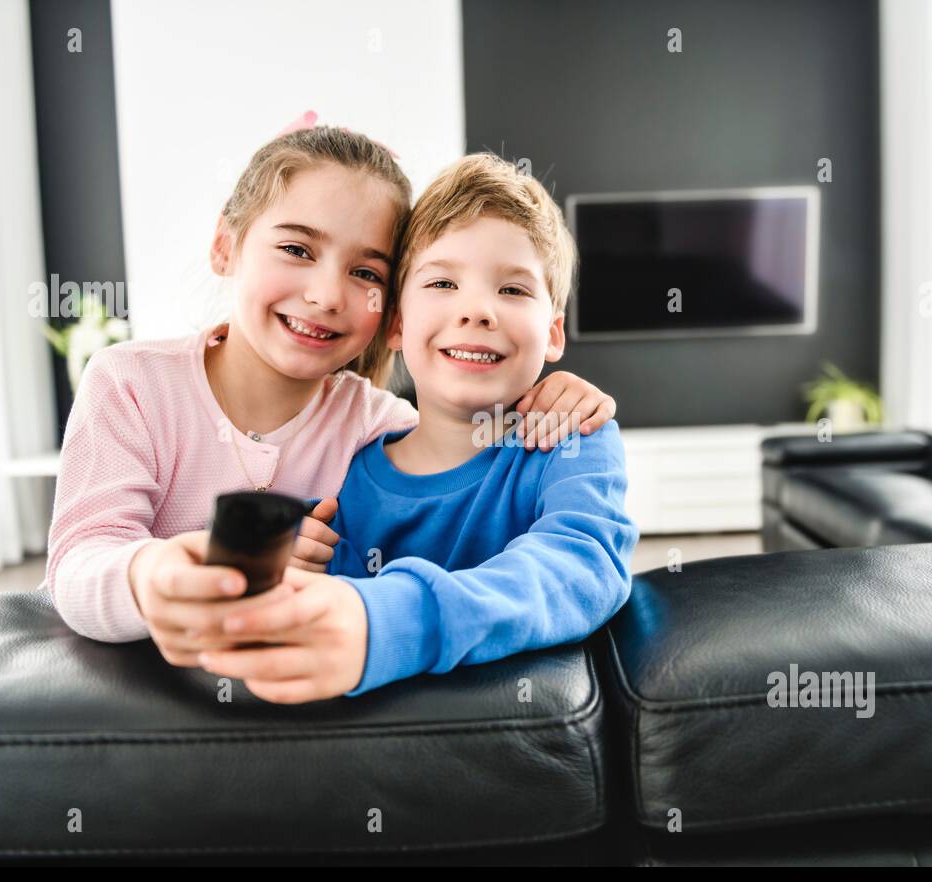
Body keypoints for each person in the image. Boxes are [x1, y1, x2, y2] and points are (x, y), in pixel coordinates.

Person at [44, 119, 617, 671]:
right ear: (226, 245)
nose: (325, 295)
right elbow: (81, 562)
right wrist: (154, 575)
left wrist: (551, 399)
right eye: (296, 249)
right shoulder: (132, 383)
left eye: (366, 273)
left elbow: (461, 476)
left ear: (388, 310)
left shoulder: (378, 428)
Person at [190, 153, 638, 702]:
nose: (477, 310)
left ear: (552, 332)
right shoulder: (344, 473)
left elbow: (582, 568)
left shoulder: (571, 441)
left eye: (513, 290)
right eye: (444, 283)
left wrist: (396, 621)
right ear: (396, 323)